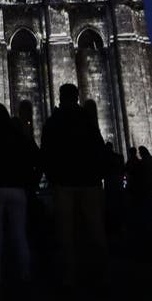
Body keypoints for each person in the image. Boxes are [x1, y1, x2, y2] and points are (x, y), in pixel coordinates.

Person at [41, 83, 108, 288]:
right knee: (95, 228)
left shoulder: (54, 121)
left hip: (64, 182)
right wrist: (98, 175)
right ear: (77, 97)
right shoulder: (88, 119)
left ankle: (69, 276)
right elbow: (99, 148)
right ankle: (101, 276)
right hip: (89, 181)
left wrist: (52, 177)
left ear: (61, 97)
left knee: (66, 230)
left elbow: (46, 151)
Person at [0, 102, 40, 292]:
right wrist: (31, 181)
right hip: (17, 188)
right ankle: (25, 276)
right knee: (20, 235)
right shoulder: (18, 136)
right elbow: (35, 157)